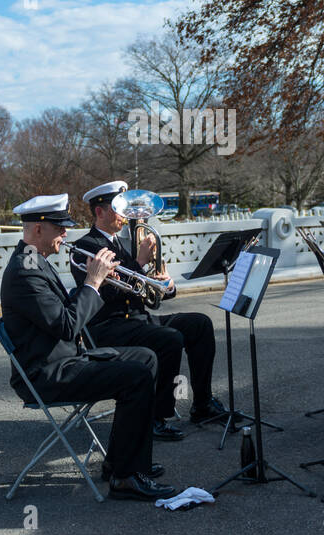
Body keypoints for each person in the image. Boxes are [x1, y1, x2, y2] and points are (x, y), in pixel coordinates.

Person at [0, 193, 176, 501]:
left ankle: (122, 462)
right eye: (60, 227)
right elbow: (68, 325)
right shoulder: (25, 272)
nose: (65, 234)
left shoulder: (35, 261)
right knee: (135, 377)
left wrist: (101, 285)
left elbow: (64, 314)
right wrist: (92, 284)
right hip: (49, 373)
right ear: (38, 229)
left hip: (65, 360)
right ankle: (125, 477)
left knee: (146, 357)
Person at [70, 181, 227, 432]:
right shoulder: (86, 247)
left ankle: (202, 404)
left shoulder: (123, 244)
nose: (125, 215)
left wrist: (166, 285)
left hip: (138, 320)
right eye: (118, 208)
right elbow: (109, 294)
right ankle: (156, 415)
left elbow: (149, 298)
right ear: (99, 211)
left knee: (200, 324)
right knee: (170, 339)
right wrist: (140, 263)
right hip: (108, 326)